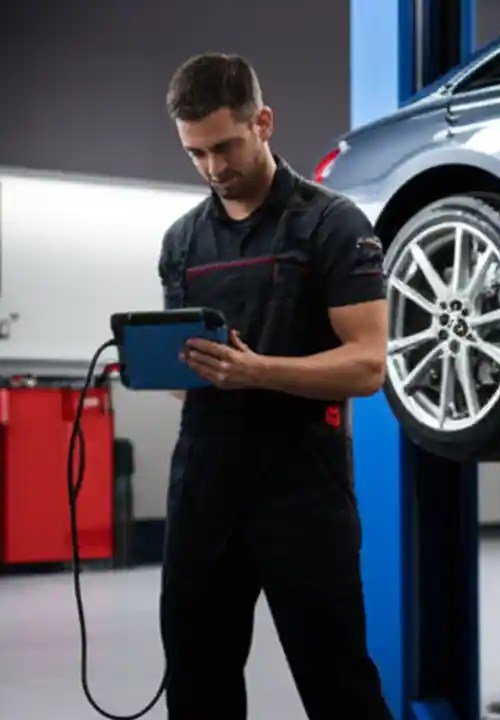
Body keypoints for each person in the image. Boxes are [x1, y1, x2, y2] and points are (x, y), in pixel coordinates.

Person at [155, 52, 393, 719]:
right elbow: (191, 377)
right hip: (204, 484)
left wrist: (258, 371)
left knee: (337, 682)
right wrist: (168, 368)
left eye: (224, 146)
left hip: (302, 490)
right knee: (197, 680)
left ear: (263, 122)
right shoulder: (181, 241)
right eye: (195, 153)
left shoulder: (332, 225)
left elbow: (368, 365)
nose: (212, 168)